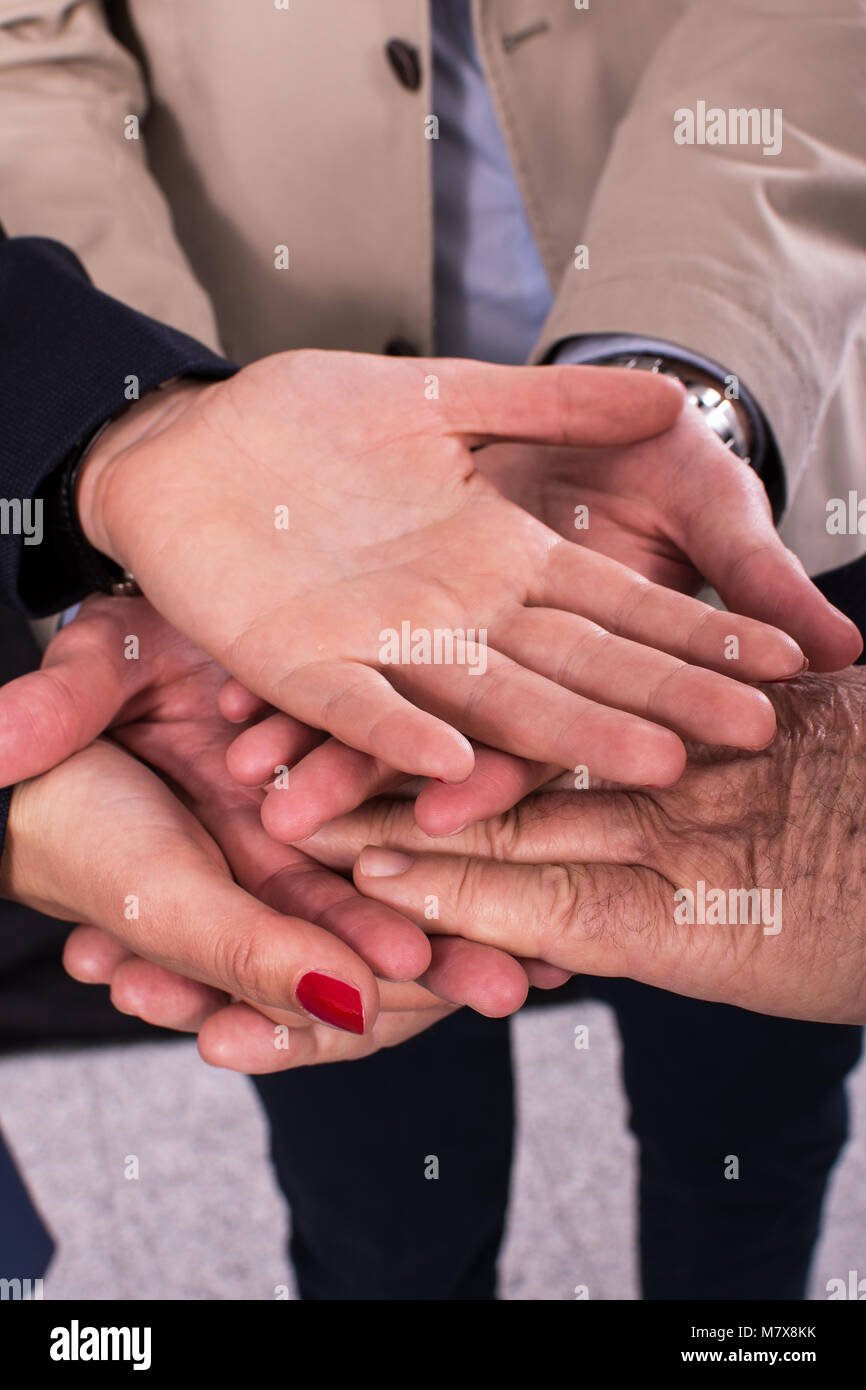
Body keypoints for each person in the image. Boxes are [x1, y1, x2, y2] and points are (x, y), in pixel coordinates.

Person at [1, 0, 865, 1300]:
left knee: (748, 1108)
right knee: (371, 1152)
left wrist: (665, 389)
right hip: (259, 542)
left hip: (743, 461)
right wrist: (161, 462)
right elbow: (27, 37)